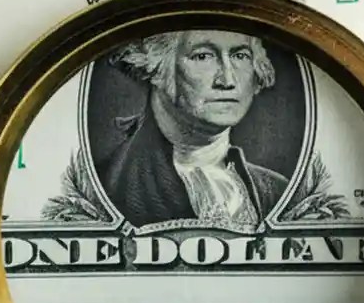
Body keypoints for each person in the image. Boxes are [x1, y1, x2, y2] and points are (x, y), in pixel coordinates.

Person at [94, 28, 289, 228]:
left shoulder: (278, 191)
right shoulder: (105, 187)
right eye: (203, 56)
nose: (227, 81)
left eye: (240, 56)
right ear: (157, 67)